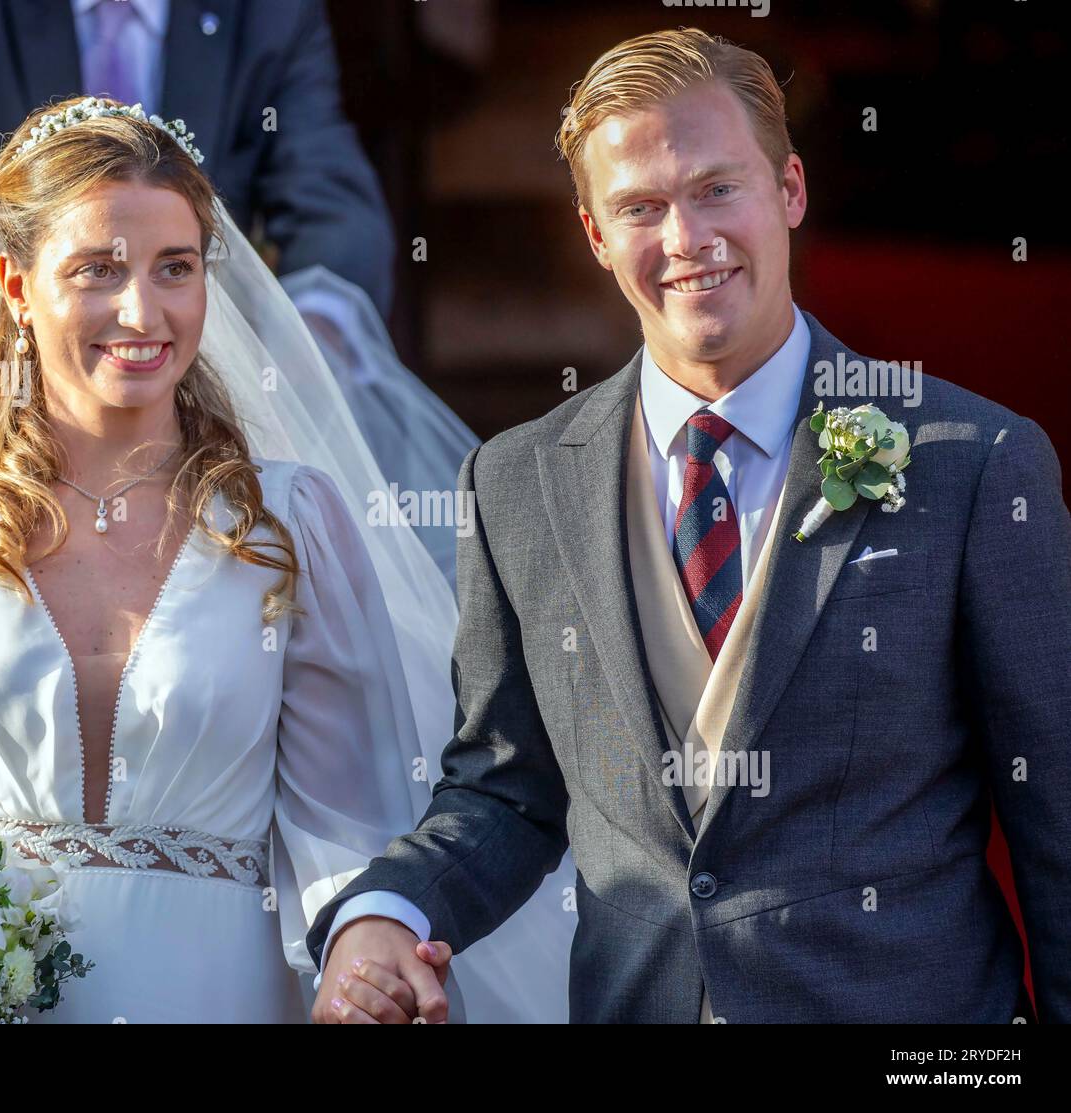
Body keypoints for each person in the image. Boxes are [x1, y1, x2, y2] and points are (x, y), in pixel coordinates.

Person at [307, 28, 1070, 1023]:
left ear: (789, 191)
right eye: (641, 207)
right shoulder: (515, 483)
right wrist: (387, 911)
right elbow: (505, 792)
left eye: (718, 188)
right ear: (593, 234)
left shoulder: (971, 460)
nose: (685, 238)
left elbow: (1054, 812)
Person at [0, 97, 427, 1023]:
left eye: (175, 269)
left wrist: (360, 953)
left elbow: (351, 830)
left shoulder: (289, 523)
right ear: (14, 284)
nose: (141, 309)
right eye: (96, 270)